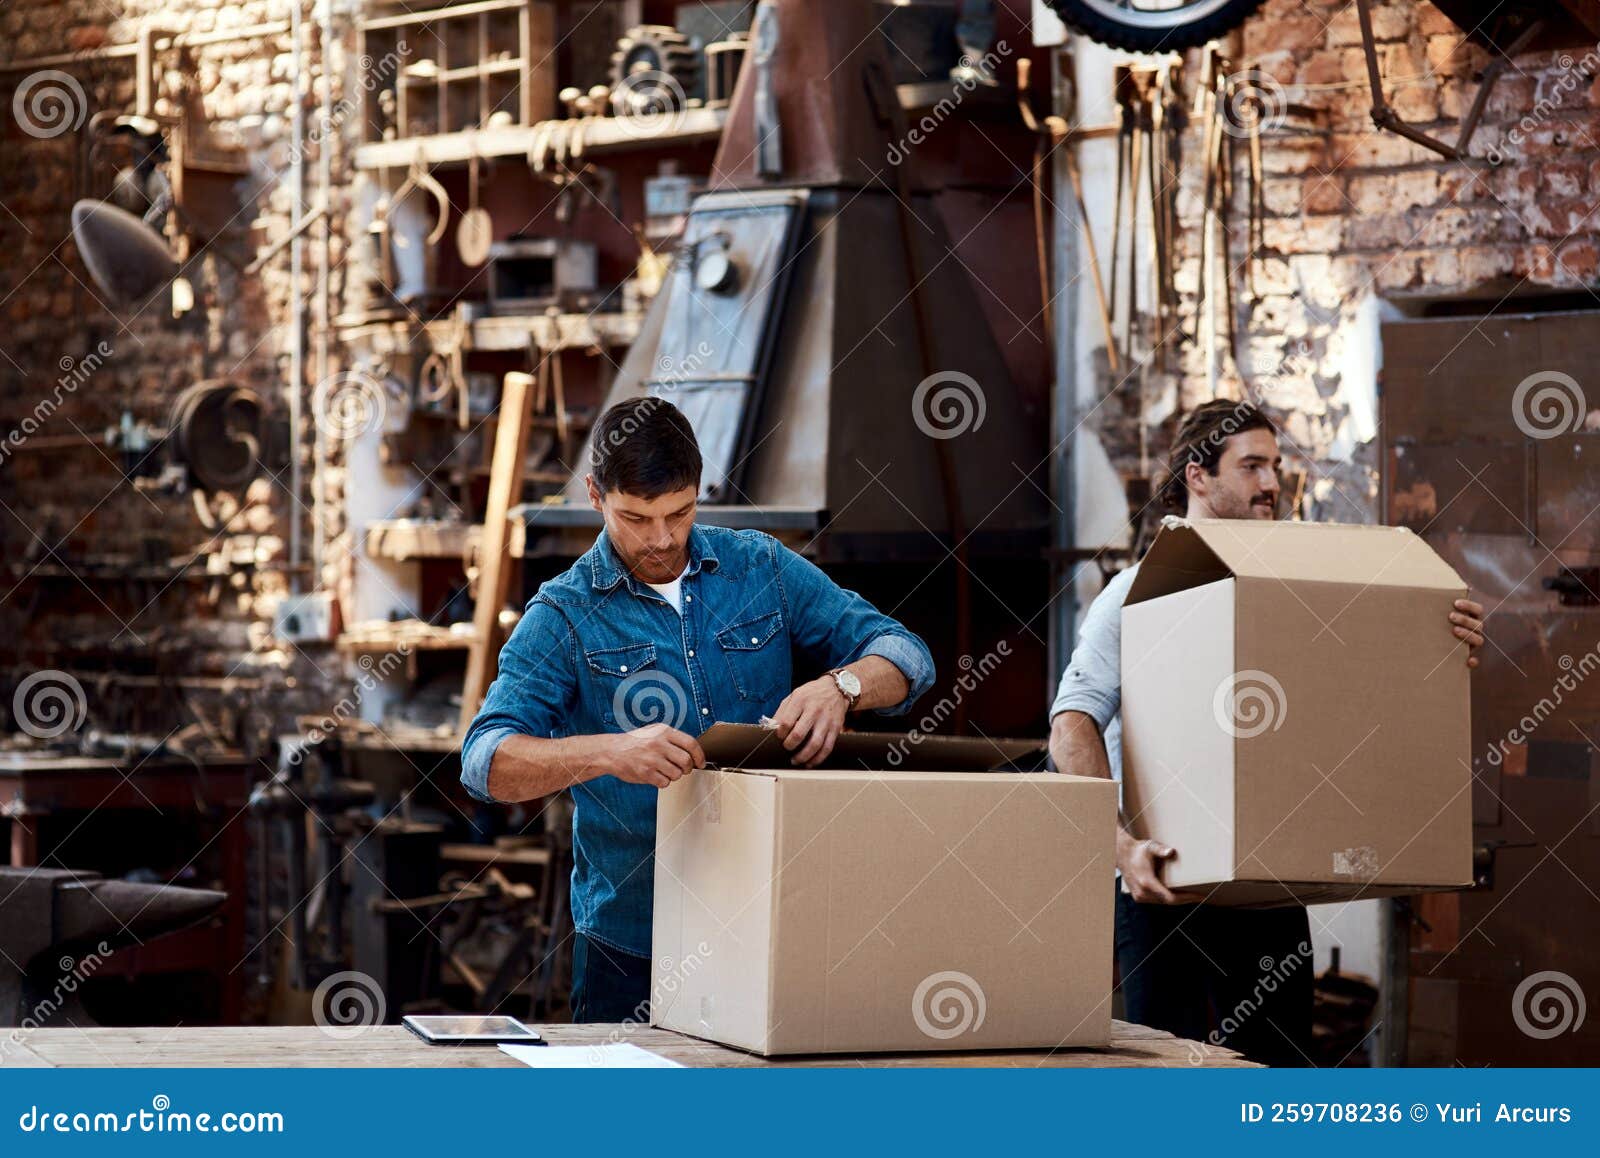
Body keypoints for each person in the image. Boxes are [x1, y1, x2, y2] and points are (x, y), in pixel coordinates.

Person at [460, 396, 935, 1023]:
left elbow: (907, 655)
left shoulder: (760, 567)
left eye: (679, 513)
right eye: (636, 518)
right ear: (595, 496)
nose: (661, 539)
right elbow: (483, 762)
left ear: (699, 491)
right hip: (632, 944)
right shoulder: (563, 615)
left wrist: (840, 686)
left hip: (775, 922)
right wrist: (608, 751)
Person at [1048, 399, 1486, 1065]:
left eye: (1276, 466)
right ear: (1198, 476)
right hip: (1165, 892)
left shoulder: (1289, 589)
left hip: (1269, 891)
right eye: (1251, 465)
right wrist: (1118, 848)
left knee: (1278, 1089)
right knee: (1171, 1097)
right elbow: (1070, 722)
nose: (1272, 483)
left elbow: (1362, 689)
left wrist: (1439, 645)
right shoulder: (1137, 592)